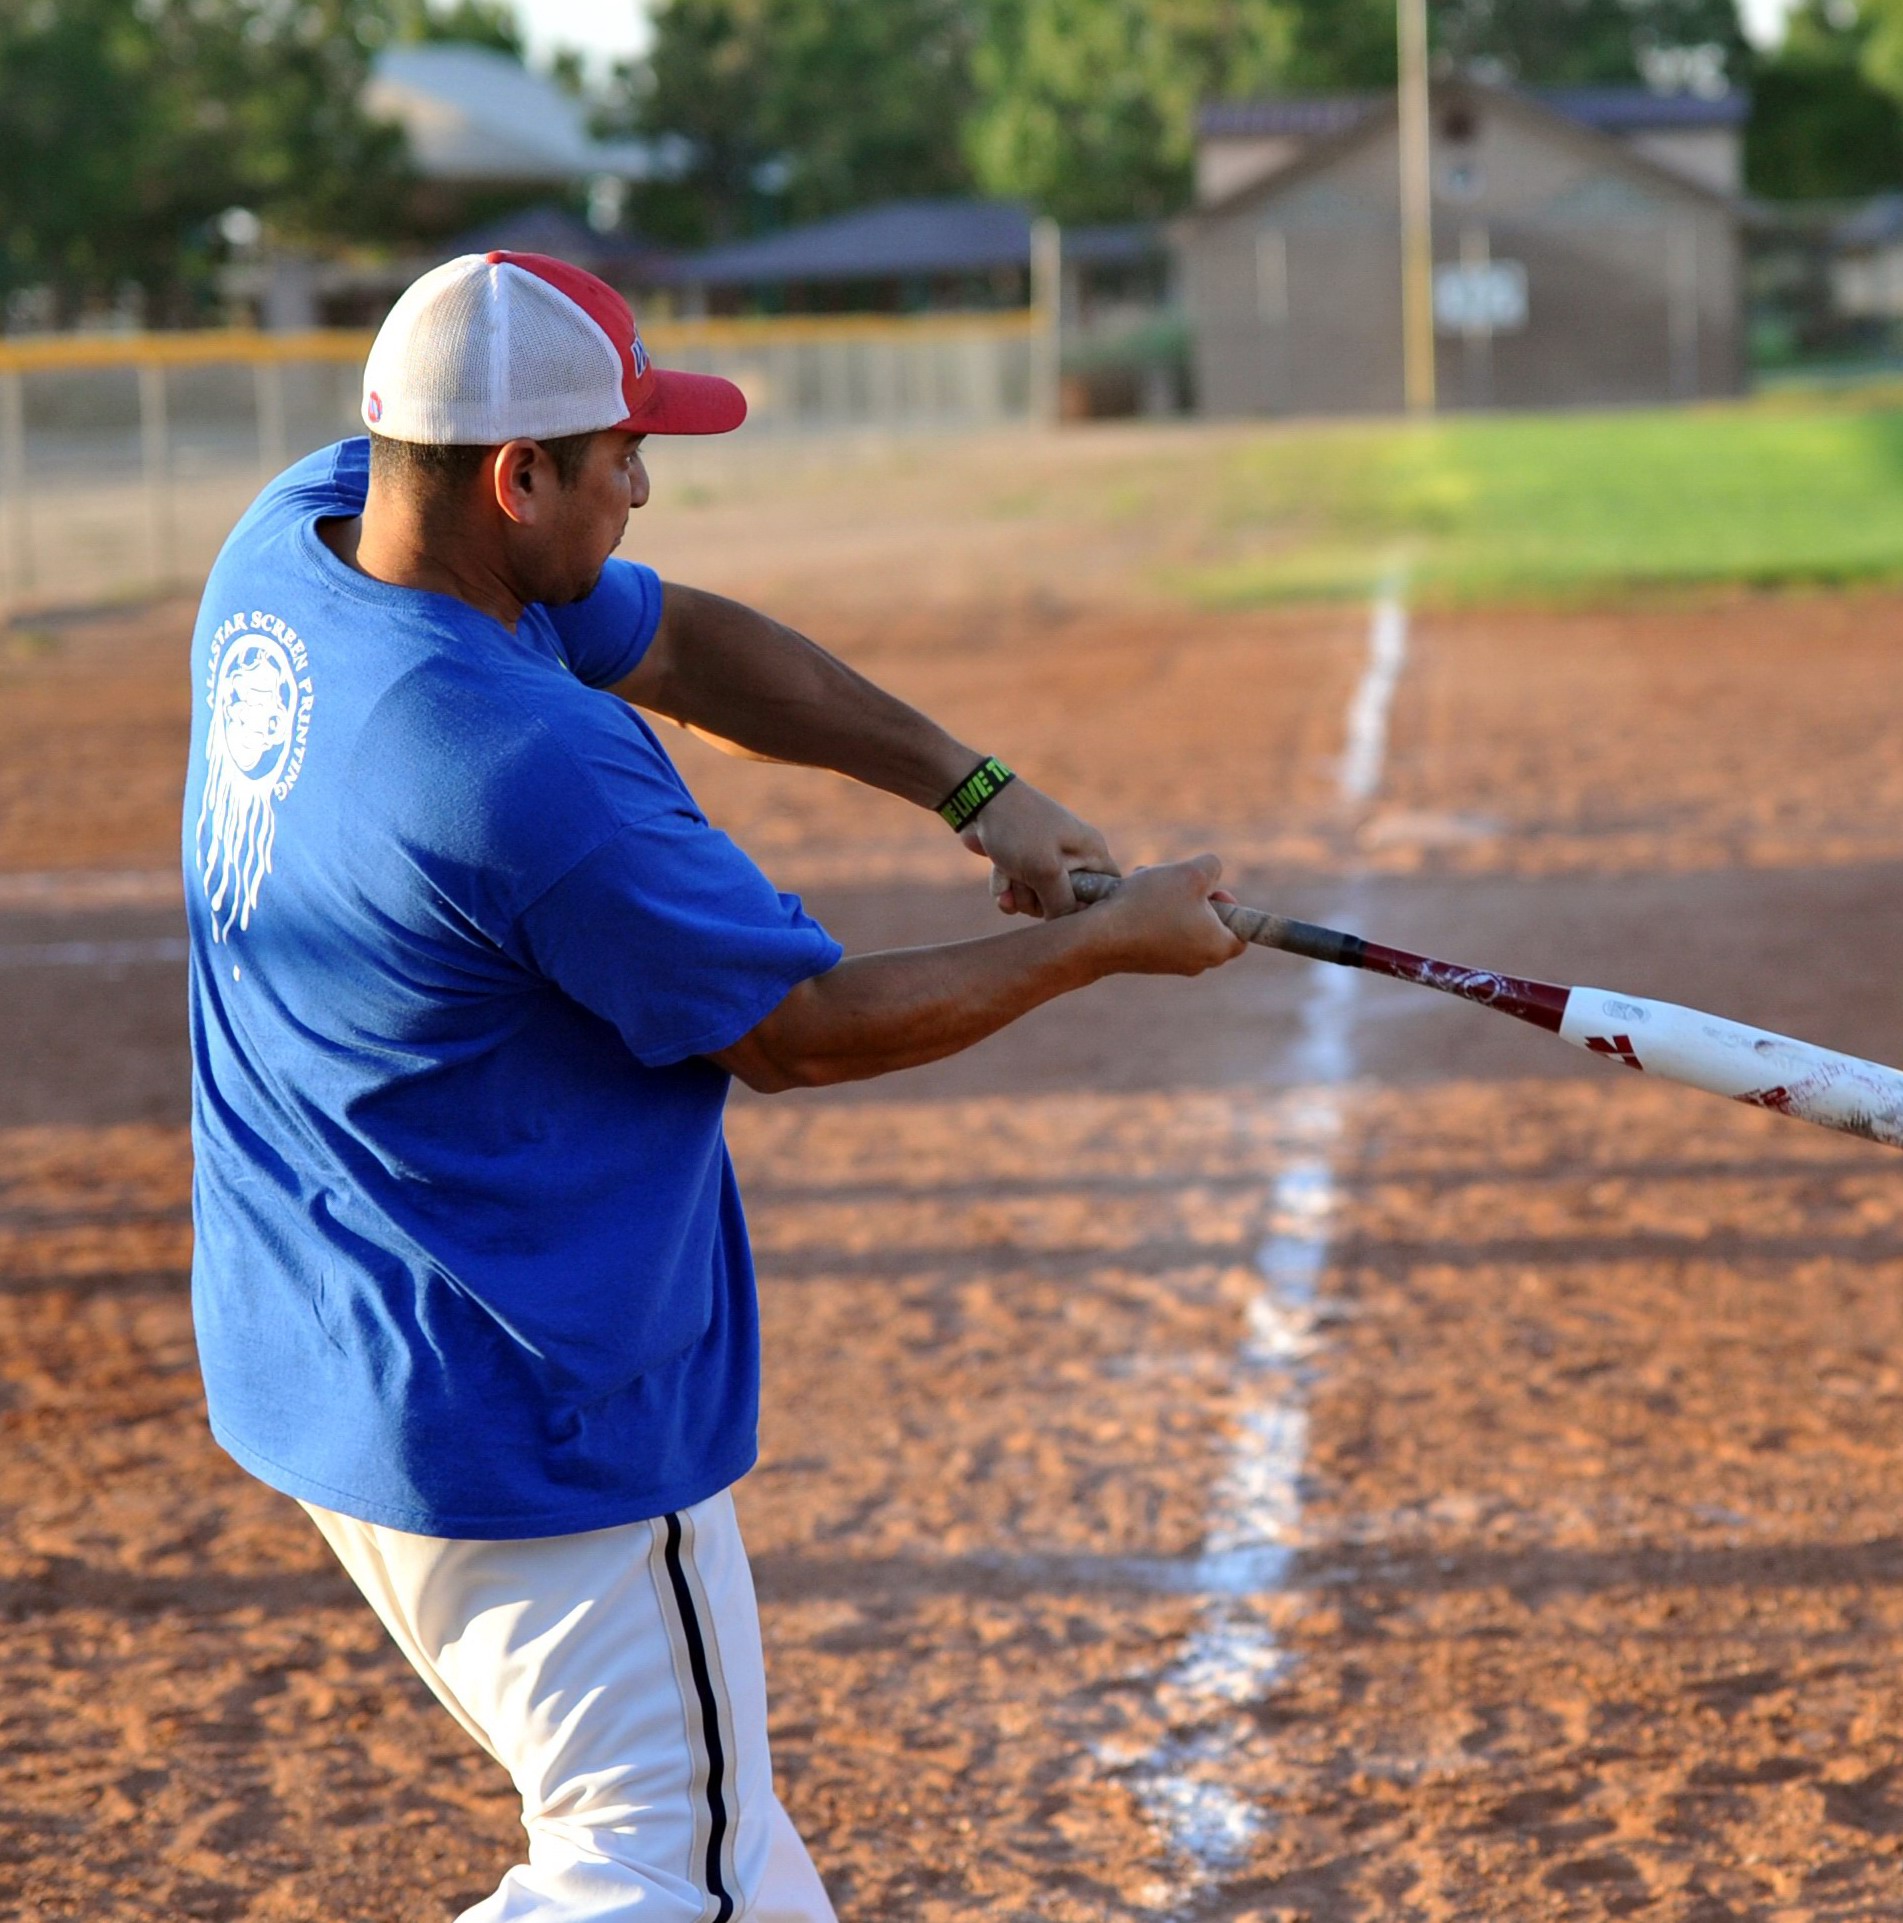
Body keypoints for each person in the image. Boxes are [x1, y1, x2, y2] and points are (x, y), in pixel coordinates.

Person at [181, 251, 1247, 1921]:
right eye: (620, 456)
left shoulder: (303, 539)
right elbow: (798, 1029)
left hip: (321, 1337)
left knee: (706, 1852)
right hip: (515, 1404)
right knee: (663, 1864)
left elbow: (673, 637)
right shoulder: (516, 762)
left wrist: (976, 787)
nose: (645, 483)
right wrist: (1104, 947)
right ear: (516, 475)